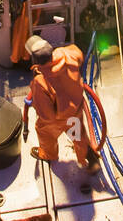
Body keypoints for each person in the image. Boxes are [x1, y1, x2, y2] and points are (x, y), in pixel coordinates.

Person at [21, 36, 99, 174]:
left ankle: (48, 154)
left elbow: (47, 116)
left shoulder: (40, 82)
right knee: (78, 135)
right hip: (76, 108)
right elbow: (79, 54)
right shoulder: (67, 54)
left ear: (34, 60)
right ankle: (90, 159)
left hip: (59, 118)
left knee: (44, 131)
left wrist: (34, 104)